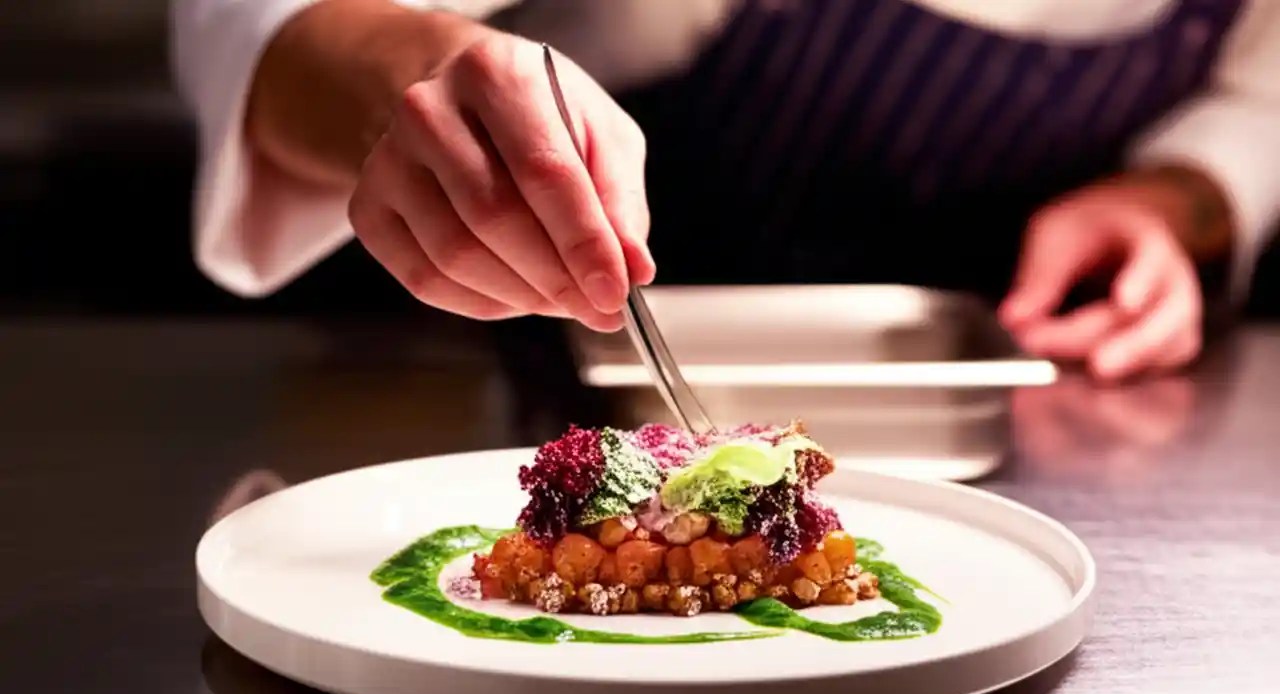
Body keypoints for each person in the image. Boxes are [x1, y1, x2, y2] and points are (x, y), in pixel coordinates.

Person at [170, 0, 1280, 381]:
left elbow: (1260, 99)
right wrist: (410, 83)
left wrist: (1178, 200)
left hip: (1043, 394)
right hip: (549, 361)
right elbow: (253, 17)